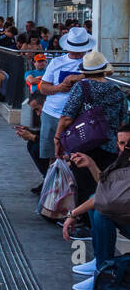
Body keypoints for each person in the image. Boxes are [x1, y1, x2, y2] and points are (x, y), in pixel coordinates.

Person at [62, 125, 130, 290]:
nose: (124, 148)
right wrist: (91, 165)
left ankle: (103, 273)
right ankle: (101, 259)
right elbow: (107, 190)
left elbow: (108, 199)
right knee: (95, 200)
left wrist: (73, 214)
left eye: (128, 143)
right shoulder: (123, 161)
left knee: (100, 211)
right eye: (121, 143)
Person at [55, 50, 129, 205]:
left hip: (84, 143)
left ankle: (81, 219)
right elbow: (123, 122)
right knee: (102, 183)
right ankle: (99, 218)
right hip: (109, 146)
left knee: (82, 182)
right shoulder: (117, 91)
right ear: (104, 70)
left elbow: (67, 117)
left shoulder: (82, 87)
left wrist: (58, 138)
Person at [35, 26, 94, 187]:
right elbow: (43, 88)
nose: (76, 52)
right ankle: (51, 186)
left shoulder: (91, 62)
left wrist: (80, 76)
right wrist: (60, 87)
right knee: (51, 155)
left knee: (74, 155)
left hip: (78, 116)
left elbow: (107, 71)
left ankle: (70, 187)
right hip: (52, 113)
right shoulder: (57, 62)